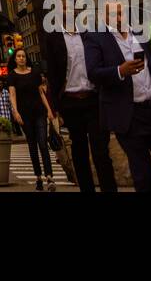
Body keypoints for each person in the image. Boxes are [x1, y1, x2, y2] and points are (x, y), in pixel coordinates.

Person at [84, 3, 151, 192]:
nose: (118, 16)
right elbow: (93, 73)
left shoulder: (140, 34)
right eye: (113, 14)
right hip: (129, 117)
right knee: (144, 177)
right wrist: (119, 71)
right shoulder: (96, 38)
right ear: (104, 18)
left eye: (121, 12)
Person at [43, 21, 116, 192]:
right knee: (79, 149)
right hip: (70, 101)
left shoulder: (89, 33)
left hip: (93, 99)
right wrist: (56, 110)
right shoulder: (54, 37)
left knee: (101, 151)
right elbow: (52, 75)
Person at [6, 51, 57, 192]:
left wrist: (49, 110)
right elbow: (12, 94)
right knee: (32, 146)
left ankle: (50, 177)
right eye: (19, 56)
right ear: (15, 59)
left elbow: (41, 93)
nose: (21, 58)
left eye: (23, 56)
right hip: (24, 115)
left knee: (43, 143)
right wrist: (15, 112)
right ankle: (38, 178)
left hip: (39, 112)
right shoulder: (12, 76)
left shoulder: (35, 73)